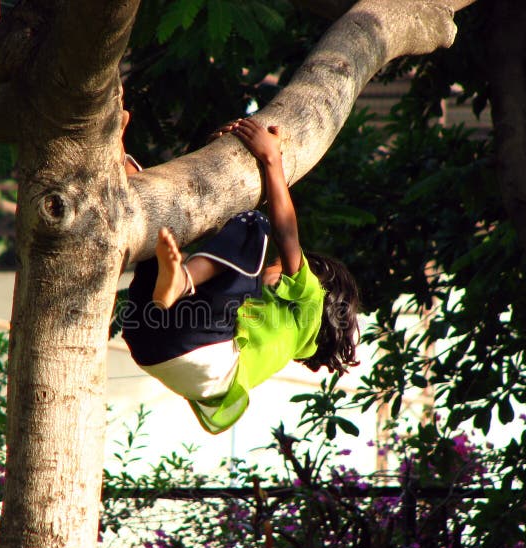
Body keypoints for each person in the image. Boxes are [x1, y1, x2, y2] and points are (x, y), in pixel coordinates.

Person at [121, 118, 360, 434]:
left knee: (255, 224)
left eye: (278, 266)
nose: (269, 267)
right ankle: (118, 155)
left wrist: (271, 159)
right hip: (150, 344)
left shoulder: (311, 302)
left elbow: (285, 232)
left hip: (208, 356)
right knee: (158, 237)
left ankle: (182, 280)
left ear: (321, 279)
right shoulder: (289, 339)